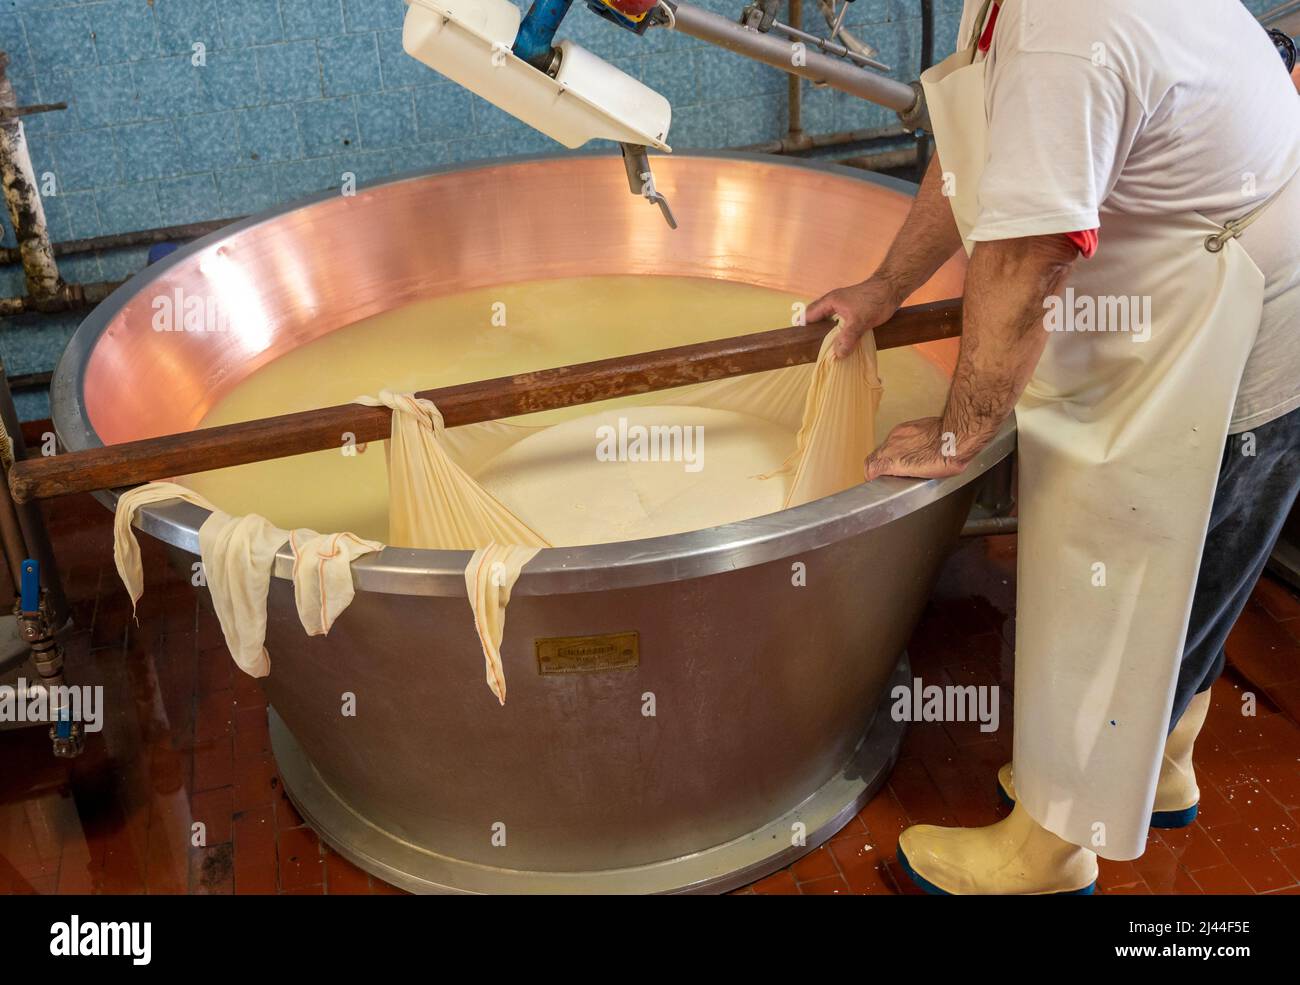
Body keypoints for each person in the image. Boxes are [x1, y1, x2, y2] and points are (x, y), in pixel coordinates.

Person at [808, 0, 1300, 894]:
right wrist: (885, 285)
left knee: (1129, 568)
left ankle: (1048, 852)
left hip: (1245, 317)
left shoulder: (1065, 29)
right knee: (1199, 566)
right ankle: (1163, 764)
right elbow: (979, 155)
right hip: (1214, 265)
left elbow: (1027, 264)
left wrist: (960, 429)